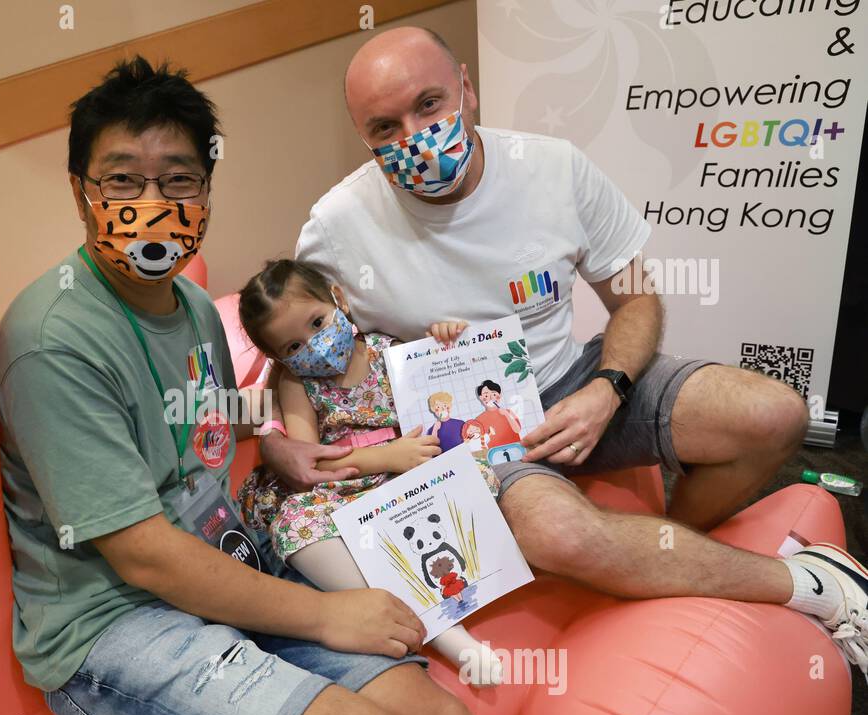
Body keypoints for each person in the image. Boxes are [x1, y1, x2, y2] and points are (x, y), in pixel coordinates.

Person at [0, 57, 524, 715]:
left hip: (224, 564)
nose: (151, 204)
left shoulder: (195, 310)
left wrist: (271, 433)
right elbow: (140, 552)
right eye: (121, 180)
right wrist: (325, 614)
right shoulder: (52, 342)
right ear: (80, 191)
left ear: (204, 192)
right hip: (115, 621)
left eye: (177, 179)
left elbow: (190, 414)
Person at [258, 26, 868, 678]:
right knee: (563, 535)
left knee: (776, 414)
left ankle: (668, 551)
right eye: (385, 127)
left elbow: (636, 300)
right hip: (463, 436)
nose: (413, 135)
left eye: (430, 105)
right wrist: (274, 436)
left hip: (576, 375)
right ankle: (810, 585)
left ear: (467, 87)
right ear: (364, 136)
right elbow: (296, 345)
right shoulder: (337, 225)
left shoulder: (554, 169)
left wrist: (608, 387)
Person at [234, 258, 504, 686]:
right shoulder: (296, 383)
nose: (313, 345)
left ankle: (459, 583)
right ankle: (438, 628)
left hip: (410, 469)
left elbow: (439, 388)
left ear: (337, 299)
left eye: (317, 322)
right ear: (277, 357)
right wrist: (384, 458)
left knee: (479, 472)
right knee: (294, 524)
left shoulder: (389, 350)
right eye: (292, 346)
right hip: (344, 483)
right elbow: (312, 463)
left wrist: (445, 340)